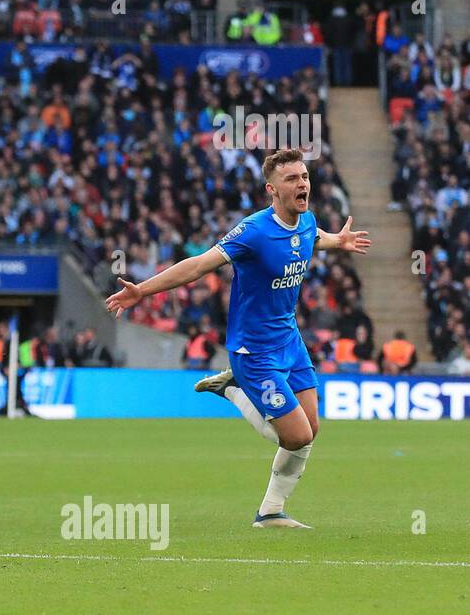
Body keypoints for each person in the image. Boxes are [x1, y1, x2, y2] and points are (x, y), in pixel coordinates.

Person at [107, 148, 371, 528]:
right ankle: (233, 388)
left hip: (289, 341)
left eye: (305, 177)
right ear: (272, 190)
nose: (302, 184)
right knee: (295, 436)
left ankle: (270, 513)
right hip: (255, 350)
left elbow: (312, 238)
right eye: (292, 179)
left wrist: (337, 241)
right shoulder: (253, 232)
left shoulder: (308, 221)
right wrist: (142, 291)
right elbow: (198, 265)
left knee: (311, 429)